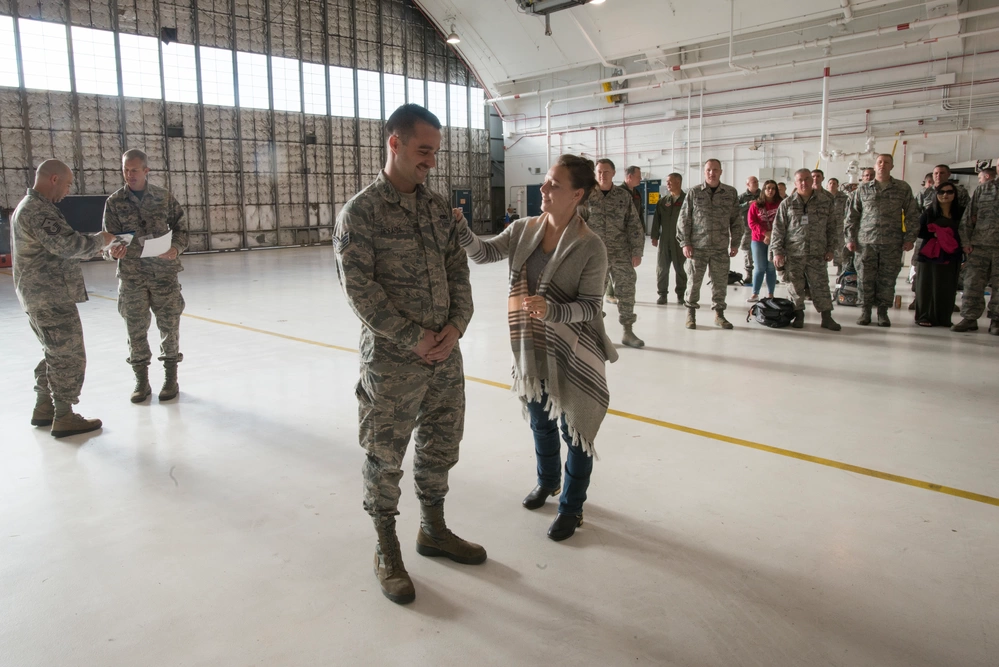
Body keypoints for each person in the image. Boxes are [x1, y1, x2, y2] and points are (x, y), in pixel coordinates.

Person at [333, 104, 485, 605]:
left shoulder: (439, 209)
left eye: (435, 153)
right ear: (394, 144)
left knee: (441, 444)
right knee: (385, 456)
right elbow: (359, 290)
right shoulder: (360, 213)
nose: (432, 163)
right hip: (393, 363)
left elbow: (458, 273)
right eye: (424, 151)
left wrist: (456, 327)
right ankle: (386, 547)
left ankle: (433, 529)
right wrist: (411, 336)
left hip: (444, 355)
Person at [454, 154, 618, 542]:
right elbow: (483, 253)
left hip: (575, 349)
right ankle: (548, 482)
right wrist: (463, 230)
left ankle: (572, 507)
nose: (543, 189)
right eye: (545, 181)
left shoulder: (590, 246)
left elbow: (592, 307)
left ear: (577, 194)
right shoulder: (524, 229)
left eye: (553, 185)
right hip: (531, 348)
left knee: (574, 428)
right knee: (541, 421)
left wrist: (553, 309)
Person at [11, 160, 116, 437]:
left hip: (41, 294)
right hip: (49, 295)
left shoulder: (32, 207)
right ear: (54, 178)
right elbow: (69, 245)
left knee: (55, 353)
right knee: (69, 356)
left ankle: (45, 408)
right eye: (68, 184)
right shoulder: (37, 211)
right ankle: (65, 416)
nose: (68, 191)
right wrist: (102, 240)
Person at [103, 149, 188, 403]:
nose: (129, 175)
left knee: (169, 326)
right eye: (125, 170)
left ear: (146, 171)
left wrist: (176, 248)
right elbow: (106, 241)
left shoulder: (163, 197)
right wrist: (113, 252)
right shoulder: (114, 202)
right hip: (131, 277)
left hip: (164, 274)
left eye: (135, 170)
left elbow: (182, 228)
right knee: (135, 328)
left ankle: (170, 379)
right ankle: (141, 382)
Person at [845, 153, 920, 327]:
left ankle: (883, 312)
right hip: (866, 243)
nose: (882, 165)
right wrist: (850, 238)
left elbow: (912, 214)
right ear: (874, 165)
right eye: (879, 162)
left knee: (888, 279)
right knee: (864, 278)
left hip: (892, 243)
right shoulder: (862, 189)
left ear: (892, 166)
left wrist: (910, 238)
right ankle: (865, 311)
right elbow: (851, 216)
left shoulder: (902, 188)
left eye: (886, 162)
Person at [581, 158, 646, 348]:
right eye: (599, 172)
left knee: (626, 290)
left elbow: (634, 224)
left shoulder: (623, 196)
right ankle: (596, 334)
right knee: (593, 294)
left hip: (621, 252)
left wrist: (637, 251)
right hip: (594, 255)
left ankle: (628, 331)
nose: (602, 175)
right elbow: (576, 224)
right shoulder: (586, 197)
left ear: (614, 173)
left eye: (606, 172)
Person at [771, 169, 841, 331]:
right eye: (800, 180)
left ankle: (826, 317)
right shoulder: (787, 203)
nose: (804, 183)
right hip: (794, 253)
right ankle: (799, 314)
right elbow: (778, 229)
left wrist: (831, 249)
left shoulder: (825, 201)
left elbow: (832, 227)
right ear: (795, 183)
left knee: (821, 285)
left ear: (813, 180)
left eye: (807, 179)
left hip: (818, 253)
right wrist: (777, 251)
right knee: (795, 286)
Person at [677, 158, 741, 329]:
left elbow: (736, 220)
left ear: (721, 171)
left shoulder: (730, 193)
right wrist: (685, 243)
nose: (712, 173)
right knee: (693, 283)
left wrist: (735, 243)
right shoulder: (694, 192)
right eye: (708, 170)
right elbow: (684, 219)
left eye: (715, 170)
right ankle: (690, 314)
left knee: (720, 283)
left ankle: (719, 315)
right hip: (697, 248)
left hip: (720, 247)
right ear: (704, 172)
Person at [911, 164, 971, 310]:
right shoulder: (925, 192)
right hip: (927, 238)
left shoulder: (959, 192)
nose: (938, 175)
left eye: (942, 173)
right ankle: (919, 300)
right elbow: (914, 212)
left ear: (948, 174)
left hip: (950, 239)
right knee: (922, 272)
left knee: (948, 272)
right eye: (936, 173)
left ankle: (947, 302)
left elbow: (965, 214)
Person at [953, 175, 999, 334]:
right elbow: (968, 217)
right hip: (980, 246)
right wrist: (965, 241)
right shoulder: (983, 189)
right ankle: (970, 318)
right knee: (972, 283)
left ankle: (996, 320)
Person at [913, 184, 964, 327]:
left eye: (949, 192)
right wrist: (936, 234)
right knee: (926, 285)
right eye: (941, 192)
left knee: (947, 285)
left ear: (954, 194)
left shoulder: (961, 212)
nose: (945, 195)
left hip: (951, 254)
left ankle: (943, 318)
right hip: (930, 253)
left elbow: (966, 231)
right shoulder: (929, 212)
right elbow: (919, 230)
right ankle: (924, 316)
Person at [651, 173, 686, 305]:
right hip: (665, 240)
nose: (668, 184)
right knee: (662, 268)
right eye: (667, 182)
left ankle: (681, 295)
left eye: (670, 181)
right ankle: (662, 294)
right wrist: (654, 236)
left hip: (681, 241)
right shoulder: (663, 201)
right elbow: (656, 220)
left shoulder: (687, 200)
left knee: (681, 268)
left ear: (678, 181)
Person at [746, 179, 780, 302]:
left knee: (771, 268)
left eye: (773, 188)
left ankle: (771, 294)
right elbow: (752, 223)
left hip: (775, 240)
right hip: (758, 240)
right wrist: (765, 233)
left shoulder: (781, 204)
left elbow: (783, 222)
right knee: (760, 267)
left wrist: (772, 235)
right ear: (764, 190)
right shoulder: (755, 205)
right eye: (768, 188)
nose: (770, 191)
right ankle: (755, 293)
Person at [738, 176, 760, 284]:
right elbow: (735, 209)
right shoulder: (742, 197)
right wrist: (747, 204)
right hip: (746, 227)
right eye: (753, 182)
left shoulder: (763, 195)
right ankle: (749, 274)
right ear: (748, 184)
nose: (756, 183)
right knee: (747, 250)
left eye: (756, 181)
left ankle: (765, 274)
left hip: (761, 227)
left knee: (764, 250)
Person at [827, 177, 850, 273]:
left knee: (841, 247)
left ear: (837, 185)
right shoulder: (823, 196)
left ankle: (840, 267)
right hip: (827, 226)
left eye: (834, 183)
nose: (832, 185)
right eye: (830, 183)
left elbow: (848, 211)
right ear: (827, 185)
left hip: (840, 226)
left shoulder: (844, 197)